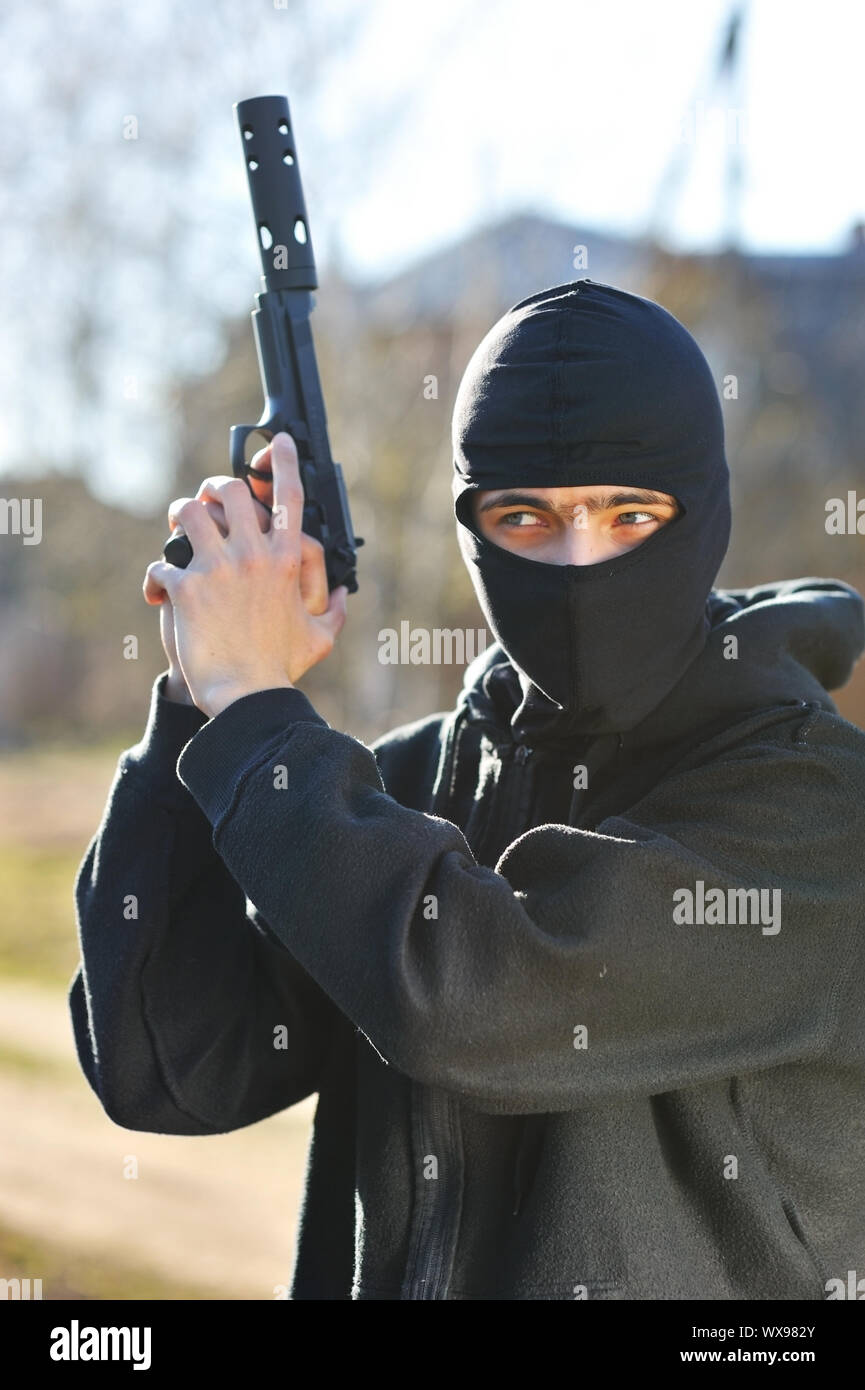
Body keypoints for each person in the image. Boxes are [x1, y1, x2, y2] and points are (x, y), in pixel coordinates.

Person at [71, 278, 865, 1301]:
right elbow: (172, 1064)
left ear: (701, 510)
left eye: (627, 513)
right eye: (524, 515)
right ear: (470, 527)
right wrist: (203, 693)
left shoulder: (814, 810)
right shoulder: (410, 785)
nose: (578, 557)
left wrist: (261, 718)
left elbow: (479, 997)